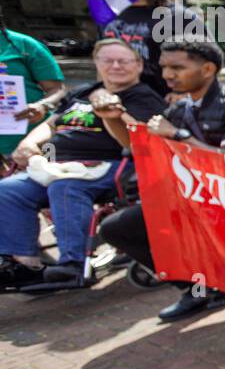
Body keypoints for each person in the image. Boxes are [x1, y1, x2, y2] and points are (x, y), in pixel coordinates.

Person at [0, 40, 167, 290]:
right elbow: (52, 123)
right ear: (96, 64)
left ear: (139, 65)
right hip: (58, 163)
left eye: (124, 61)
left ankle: (73, 263)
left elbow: (143, 141)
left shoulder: (141, 95)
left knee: (65, 186)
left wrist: (115, 112)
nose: (116, 66)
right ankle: (24, 263)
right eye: (108, 60)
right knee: (9, 189)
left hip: (111, 164)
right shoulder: (83, 92)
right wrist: (29, 142)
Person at [97, 39, 225, 321]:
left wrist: (178, 135)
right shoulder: (179, 108)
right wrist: (113, 119)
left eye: (177, 67)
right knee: (115, 228)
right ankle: (198, 290)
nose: (167, 75)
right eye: (164, 68)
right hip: (185, 199)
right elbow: (140, 149)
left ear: (208, 69)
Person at [99, 0, 204, 96]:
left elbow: (206, 60)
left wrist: (183, 93)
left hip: (163, 103)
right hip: (118, 101)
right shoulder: (109, 15)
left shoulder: (178, 16)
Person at [0, 3, 67, 160]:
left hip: (34, 143)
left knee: (47, 182)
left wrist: (43, 105)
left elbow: (57, 89)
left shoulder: (23, 44)